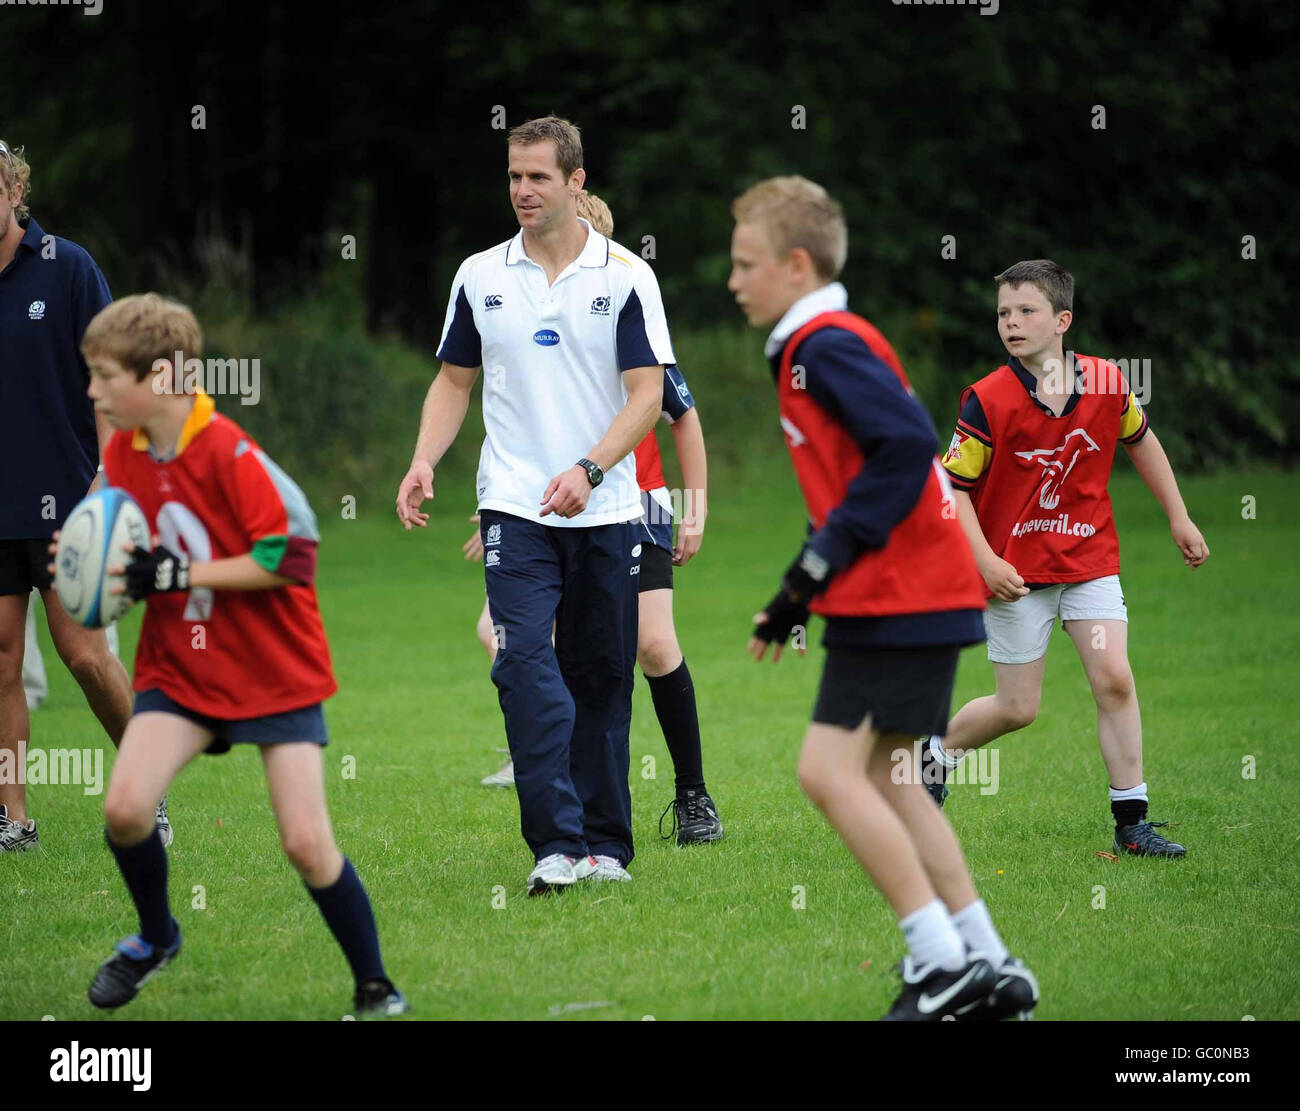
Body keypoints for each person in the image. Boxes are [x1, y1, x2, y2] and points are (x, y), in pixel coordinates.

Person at [730, 175, 1037, 1020]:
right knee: (895, 775)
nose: (733, 281)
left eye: (745, 263)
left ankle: (937, 961)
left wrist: (816, 569)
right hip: (918, 594)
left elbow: (904, 449)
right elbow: (854, 480)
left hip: (899, 595)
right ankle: (990, 961)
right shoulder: (825, 340)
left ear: (795, 266)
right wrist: (797, 588)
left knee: (827, 773)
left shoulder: (821, 344)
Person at [67, 292, 406, 1016]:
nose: (91, 391)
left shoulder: (230, 451)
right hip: (180, 672)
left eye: (102, 376)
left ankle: (375, 985)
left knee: (307, 843)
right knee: (126, 807)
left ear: (159, 376)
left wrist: (178, 573)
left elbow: (293, 554)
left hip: (271, 670)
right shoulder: (122, 452)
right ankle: (156, 937)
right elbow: (117, 533)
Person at [397, 117, 673, 894]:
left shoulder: (625, 276)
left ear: (576, 181)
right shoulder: (480, 274)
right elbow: (455, 381)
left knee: (602, 675)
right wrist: (425, 458)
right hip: (514, 506)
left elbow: (647, 394)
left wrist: (590, 467)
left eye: (539, 177)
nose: (523, 190)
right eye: (515, 176)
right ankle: (554, 844)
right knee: (523, 664)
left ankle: (607, 847)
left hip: (607, 507)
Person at [925, 259, 1209, 858]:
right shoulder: (986, 399)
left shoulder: (1108, 382)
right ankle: (935, 753)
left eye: (1025, 311)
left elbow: (1142, 441)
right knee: (1017, 708)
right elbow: (953, 491)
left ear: (1062, 320)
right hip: (1014, 575)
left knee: (1114, 679)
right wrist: (983, 560)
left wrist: (1178, 516)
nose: (1011, 322)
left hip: (1088, 559)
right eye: (1003, 312)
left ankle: (1132, 821)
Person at [472, 190, 723, 845]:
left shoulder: (623, 303)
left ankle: (693, 794)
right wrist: (495, 505)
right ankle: (560, 757)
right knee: (500, 632)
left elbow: (682, 415)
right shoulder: (520, 309)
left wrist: (692, 509)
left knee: (654, 643)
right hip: (545, 507)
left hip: (634, 504)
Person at [0, 138, 158, 852]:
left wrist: (107, 478)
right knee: (0, 662)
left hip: (68, 500)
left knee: (85, 656)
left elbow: (113, 377)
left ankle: (144, 788)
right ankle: (14, 818)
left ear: (13, 190)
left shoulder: (68, 268)